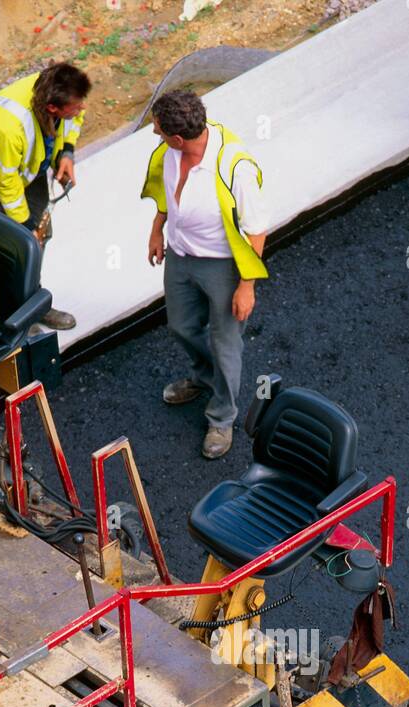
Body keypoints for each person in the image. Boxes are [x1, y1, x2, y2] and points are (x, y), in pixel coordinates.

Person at [143, 88, 268, 460]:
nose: (155, 136)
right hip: (181, 256)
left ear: (178, 137)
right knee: (180, 326)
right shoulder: (170, 153)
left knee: (225, 343)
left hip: (222, 266)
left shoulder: (234, 167)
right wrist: (156, 229)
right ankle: (203, 378)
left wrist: (247, 286)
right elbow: (166, 194)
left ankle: (222, 416)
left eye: (159, 131)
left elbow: (257, 229)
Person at [0, 62, 90, 331]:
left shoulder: (58, 92)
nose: (82, 109)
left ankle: (29, 301)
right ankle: (12, 312)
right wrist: (24, 227)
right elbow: (6, 180)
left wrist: (66, 153)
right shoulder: (9, 125)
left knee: (40, 238)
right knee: (16, 248)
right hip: (0, 174)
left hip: (30, 163)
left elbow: (73, 120)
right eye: (76, 107)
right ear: (52, 108)